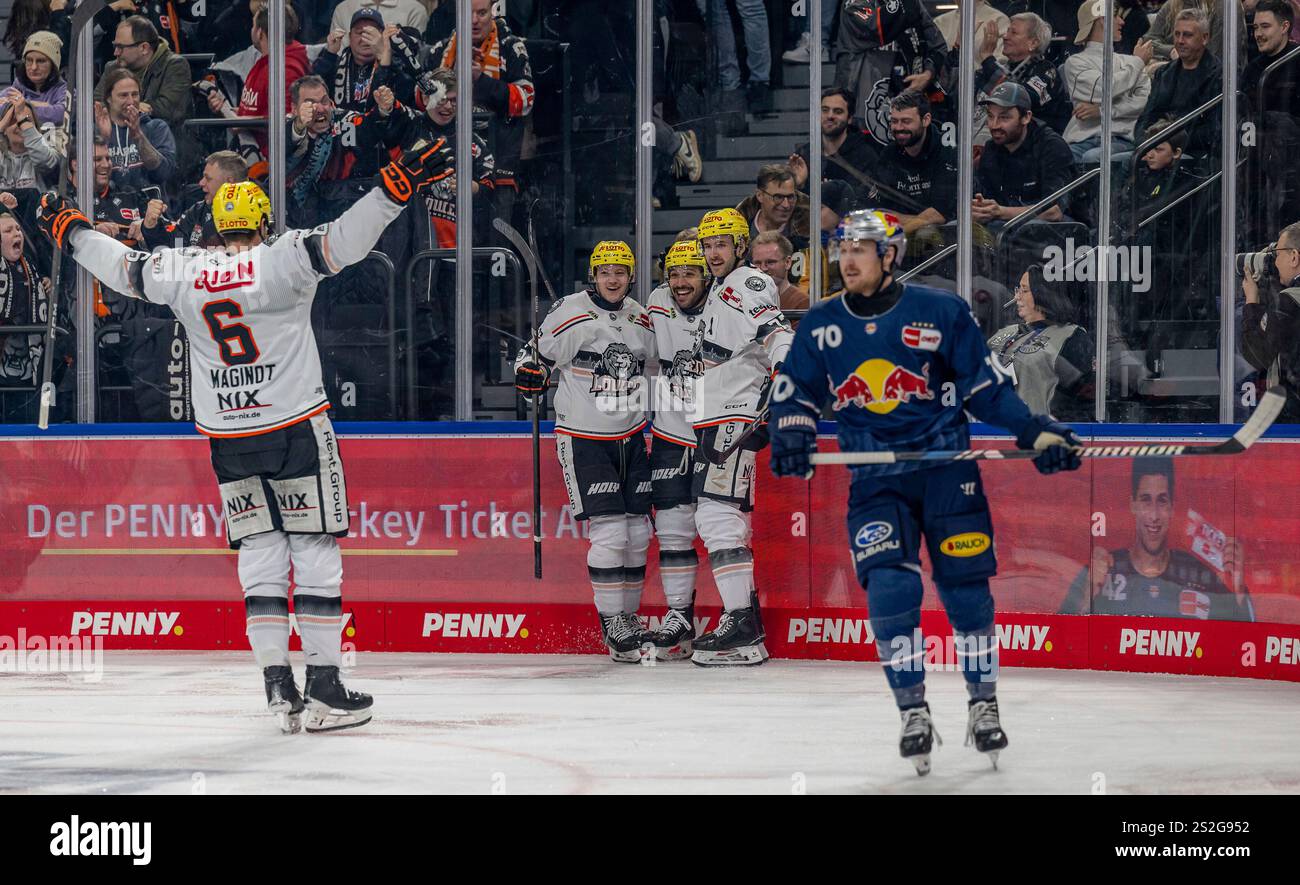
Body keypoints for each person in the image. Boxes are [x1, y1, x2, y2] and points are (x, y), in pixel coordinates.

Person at [34, 138, 455, 731]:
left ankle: (277, 684)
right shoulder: (281, 259)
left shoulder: (184, 270)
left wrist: (70, 229)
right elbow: (344, 240)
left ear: (212, 224)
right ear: (261, 221)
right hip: (295, 426)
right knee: (313, 550)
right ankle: (326, 687)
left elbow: (122, 270)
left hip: (229, 436)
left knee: (260, 551)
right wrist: (391, 193)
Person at [768, 208, 1082, 774]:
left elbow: (986, 391)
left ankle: (983, 703)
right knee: (890, 591)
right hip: (876, 480)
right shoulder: (819, 325)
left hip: (946, 474)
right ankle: (912, 709)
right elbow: (795, 395)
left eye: (860, 249)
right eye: (843, 249)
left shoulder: (941, 311)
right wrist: (791, 432)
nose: (848, 259)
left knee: (965, 596)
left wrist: (1034, 430)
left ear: (890, 256)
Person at [513, 241, 656, 662]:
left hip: (632, 436)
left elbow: (654, 373)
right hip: (584, 437)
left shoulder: (640, 317)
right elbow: (531, 356)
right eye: (605, 270)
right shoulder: (569, 311)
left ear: (631, 275)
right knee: (611, 532)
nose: (613, 278)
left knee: (638, 534)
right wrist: (529, 373)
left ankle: (627, 619)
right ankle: (612, 621)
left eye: (621, 271)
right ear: (593, 275)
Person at [686, 207, 794, 666]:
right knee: (727, 518)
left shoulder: (745, 282)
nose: (713, 253)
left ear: (740, 247)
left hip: (735, 414)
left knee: (716, 516)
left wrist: (785, 372)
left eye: (721, 244)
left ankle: (740, 624)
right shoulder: (718, 291)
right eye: (707, 245)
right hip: (716, 415)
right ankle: (745, 620)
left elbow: (776, 329)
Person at [1059, 459, 1254, 620]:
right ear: (1132, 505)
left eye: (1162, 500)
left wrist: (1238, 590)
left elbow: (1239, 643)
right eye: (1145, 500)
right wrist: (1086, 597)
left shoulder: (1197, 573)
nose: (1153, 515)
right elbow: (1061, 643)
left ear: (1171, 508)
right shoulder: (1103, 570)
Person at [642, 235, 710, 659]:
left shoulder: (726, 302)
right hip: (668, 436)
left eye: (690, 272)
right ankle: (680, 615)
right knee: (672, 533)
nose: (681, 281)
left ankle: (743, 614)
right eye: (674, 273)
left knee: (724, 531)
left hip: (716, 435)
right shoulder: (656, 302)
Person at [428, 0, 534, 226]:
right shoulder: (442, 49)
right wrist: (450, 81)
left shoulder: (511, 46)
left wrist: (480, 80)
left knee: (494, 247)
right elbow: (421, 100)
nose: (474, 20)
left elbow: (525, 100)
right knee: (447, 248)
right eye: (468, 13)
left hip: (498, 167)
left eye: (482, 13)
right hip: (446, 166)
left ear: (493, 12)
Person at [987, 264, 1095, 421]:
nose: (1017, 297)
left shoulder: (1071, 336)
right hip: (989, 430)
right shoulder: (1006, 332)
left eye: (1024, 291)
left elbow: (1079, 395)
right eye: (1018, 290)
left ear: (1043, 294)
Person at [205, 5, 310, 160]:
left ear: (260, 32)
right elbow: (259, 110)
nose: (252, 29)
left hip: (273, 166)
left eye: (254, 25)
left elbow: (287, 121)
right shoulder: (266, 61)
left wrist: (243, 121)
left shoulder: (285, 68)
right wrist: (228, 109)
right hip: (252, 155)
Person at [972, 82, 1077, 225]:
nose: (994, 125)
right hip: (1006, 227)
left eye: (1004, 117)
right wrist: (980, 209)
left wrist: (1000, 212)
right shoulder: (991, 148)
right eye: (990, 116)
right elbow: (987, 198)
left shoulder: (1052, 146)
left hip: (1058, 233)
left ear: (1026, 117)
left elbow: (1054, 211)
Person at [1062, 1, 1151, 165]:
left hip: (1120, 140)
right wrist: (1138, 63)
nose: (1122, 22)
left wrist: (1102, 111)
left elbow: (1143, 102)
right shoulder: (1075, 62)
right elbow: (1105, 88)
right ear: (1102, 19)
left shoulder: (1129, 62)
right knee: (1057, 157)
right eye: (1116, 16)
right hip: (1080, 140)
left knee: (1093, 157)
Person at [1242, 0, 1300, 245]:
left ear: (1285, 26)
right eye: (1255, 28)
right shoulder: (1252, 69)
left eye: (1265, 27)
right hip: (1254, 163)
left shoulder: (1298, 61)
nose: (1258, 34)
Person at [1136, 8, 1222, 163]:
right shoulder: (1163, 73)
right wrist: (1145, 145)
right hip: (1155, 150)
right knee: (1121, 162)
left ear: (1205, 38)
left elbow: (1213, 130)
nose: (1180, 41)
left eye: (1187, 35)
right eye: (1177, 34)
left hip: (1191, 155)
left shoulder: (1218, 75)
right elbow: (1145, 119)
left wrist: (1170, 144)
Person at [972, 13, 1073, 136]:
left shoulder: (1046, 71)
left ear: (1033, 43)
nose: (1005, 37)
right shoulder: (999, 67)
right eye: (1007, 31)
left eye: (1013, 33)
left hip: (1035, 148)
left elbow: (1019, 98)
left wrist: (987, 58)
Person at [873, 92, 959, 234]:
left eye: (906, 121)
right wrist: (921, 220)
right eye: (894, 121)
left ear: (926, 120)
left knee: (926, 233)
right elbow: (878, 211)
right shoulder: (889, 153)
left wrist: (896, 234)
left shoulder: (946, 150)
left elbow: (939, 214)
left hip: (945, 238)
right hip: (909, 233)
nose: (899, 128)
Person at [1241, 220, 1300, 422]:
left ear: (1294, 257)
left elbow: (1257, 354)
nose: (1274, 262)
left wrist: (1251, 301)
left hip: (1292, 419)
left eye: (1279, 253)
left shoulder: (1290, 301)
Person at [93, 16, 193, 132]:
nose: (116, 52)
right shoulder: (112, 67)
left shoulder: (175, 65)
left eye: (121, 47)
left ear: (144, 48)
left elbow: (169, 110)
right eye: (115, 46)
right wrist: (133, 108)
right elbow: (96, 104)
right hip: (118, 140)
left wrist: (119, 108)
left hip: (164, 141)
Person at [788, 87, 881, 205]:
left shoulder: (865, 156)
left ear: (850, 118)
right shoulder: (805, 154)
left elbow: (860, 204)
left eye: (838, 111)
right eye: (825, 110)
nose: (830, 116)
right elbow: (795, 208)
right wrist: (799, 184)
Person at [141, 150, 248, 250]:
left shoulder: (253, 216)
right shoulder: (198, 211)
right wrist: (151, 227)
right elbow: (174, 247)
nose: (201, 183)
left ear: (229, 183)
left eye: (208, 178)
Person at [96, 69, 177, 192]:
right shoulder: (94, 132)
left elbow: (164, 173)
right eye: (123, 95)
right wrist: (105, 139)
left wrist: (139, 137)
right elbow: (86, 179)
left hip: (149, 206)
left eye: (135, 94)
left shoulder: (157, 128)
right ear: (108, 98)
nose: (130, 101)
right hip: (108, 207)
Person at [735, 164, 809, 252]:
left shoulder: (807, 235)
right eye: (778, 197)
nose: (786, 205)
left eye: (790, 197)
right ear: (760, 195)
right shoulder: (737, 234)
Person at [3, 31, 68, 130]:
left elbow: (61, 114)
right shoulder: (17, 86)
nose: (33, 67)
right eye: (29, 60)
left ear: (53, 65)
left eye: (41, 61)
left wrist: (23, 104)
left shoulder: (65, 91)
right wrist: (42, 106)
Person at [751, 231, 807, 312]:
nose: (763, 268)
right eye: (757, 263)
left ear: (787, 262)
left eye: (770, 262)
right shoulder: (746, 300)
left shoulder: (802, 302)